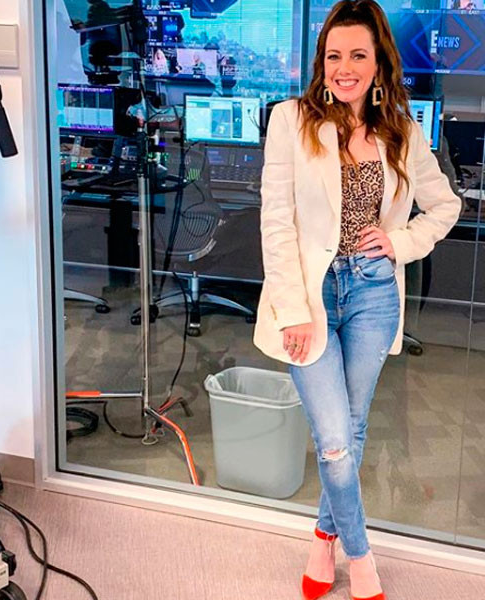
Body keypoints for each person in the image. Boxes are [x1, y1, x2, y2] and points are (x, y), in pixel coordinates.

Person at [253, 1, 461, 599]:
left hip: (373, 291)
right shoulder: (291, 120)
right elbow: (276, 222)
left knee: (353, 425)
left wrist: (399, 243)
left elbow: (445, 207)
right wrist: (293, 310)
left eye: (357, 56)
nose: (344, 68)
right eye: (334, 55)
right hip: (311, 295)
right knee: (335, 437)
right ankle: (361, 555)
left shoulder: (402, 132)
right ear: (322, 61)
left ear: (378, 64)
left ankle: (324, 541)